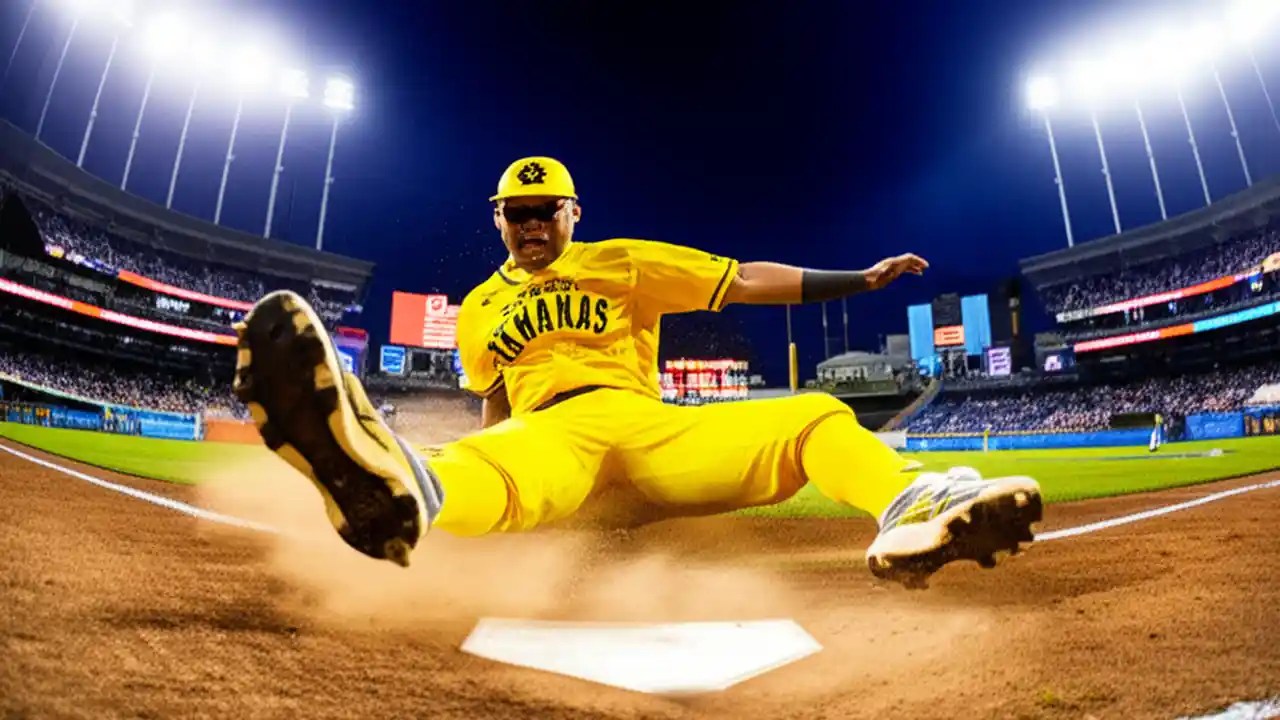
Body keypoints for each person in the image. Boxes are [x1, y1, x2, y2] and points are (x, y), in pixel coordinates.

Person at [233, 156, 1041, 589]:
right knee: (478, 466)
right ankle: (398, 490)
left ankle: (913, 509)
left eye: (545, 209)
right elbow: (493, 405)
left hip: (649, 426)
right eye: (516, 213)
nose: (531, 223)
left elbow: (743, 278)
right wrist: (514, 515)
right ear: (498, 219)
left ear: (573, 212)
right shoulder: (479, 305)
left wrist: (855, 281)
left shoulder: (620, 262)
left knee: (812, 414)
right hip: (553, 439)